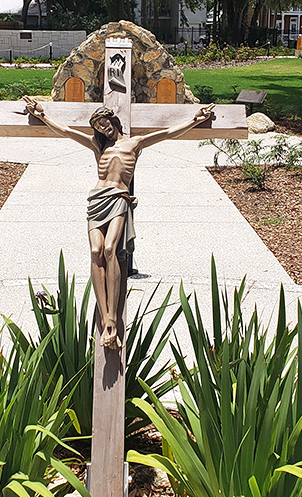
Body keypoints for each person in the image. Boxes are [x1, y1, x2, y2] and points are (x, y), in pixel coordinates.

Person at [23, 96, 215, 349]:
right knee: (95, 252)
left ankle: (113, 317)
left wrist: (195, 119)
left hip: (118, 199)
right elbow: (68, 131)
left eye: (106, 123)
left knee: (111, 249)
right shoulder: (97, 145)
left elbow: (168, 132)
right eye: (99, 126)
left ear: (113, 120)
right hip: (96, 199)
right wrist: (42, 116)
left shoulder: (134, 143)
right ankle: (105, 317)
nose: (104, 128)